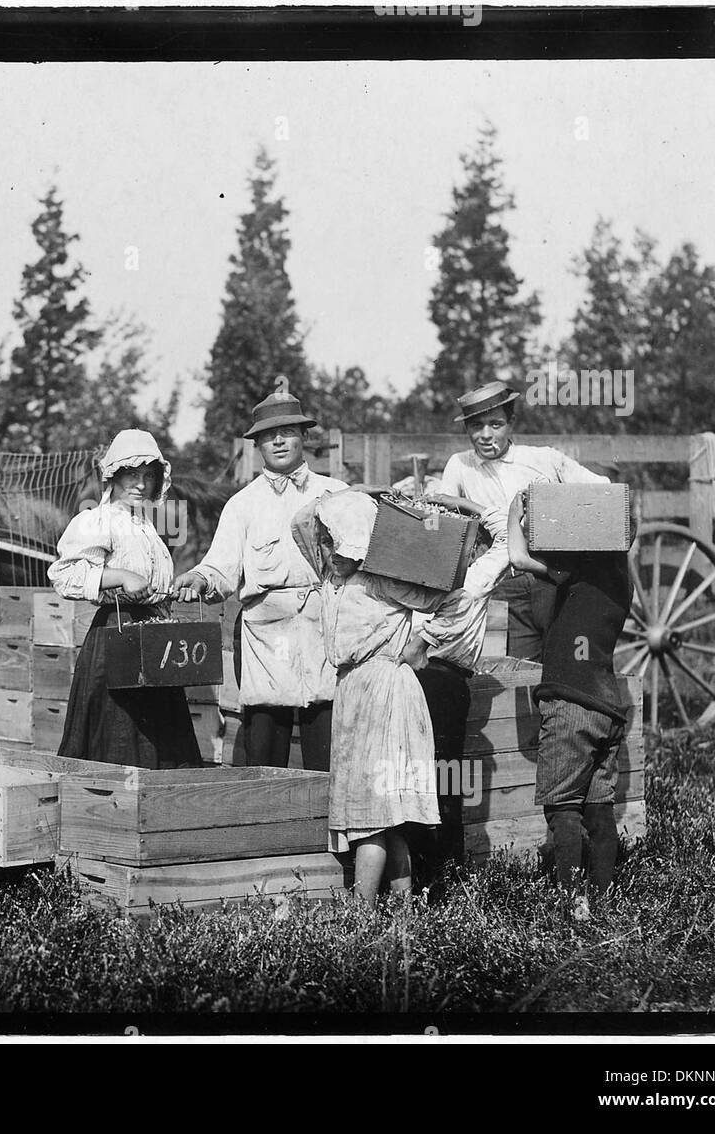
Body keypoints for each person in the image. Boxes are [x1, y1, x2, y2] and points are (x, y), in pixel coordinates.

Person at [291, 489, 468, 904]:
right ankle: (406, 912)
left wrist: (421, 642)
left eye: (340, 540)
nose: (331, 550)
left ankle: (362, 912)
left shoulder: (384, 580)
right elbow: (301, 522)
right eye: (328, 541)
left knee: (373, 816)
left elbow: (456, 599)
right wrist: (355, 498)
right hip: (354, 693)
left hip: (386, 693)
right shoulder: (332, 576)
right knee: (382, 817)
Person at [172, 383, 347, 771]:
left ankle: (328, 829)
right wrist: (200, 578)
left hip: (323, 631)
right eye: (269, 436)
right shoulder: (242, 505)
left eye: (286, 432)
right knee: (265, 748)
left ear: (303, 436)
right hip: (268, 638)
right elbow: (221, 566)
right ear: (258, 445)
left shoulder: (336, 494)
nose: (279, 442)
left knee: (328, 744)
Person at [507, 486, 636, 920]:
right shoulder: (621, 580)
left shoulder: (581, 568)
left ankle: (570, 901)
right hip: (608, 706)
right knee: (598, 808)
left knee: (562, 807)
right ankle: (602, 901)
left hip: (570, 702)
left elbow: (519, 558)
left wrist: (515, 512)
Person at [421, 381, 611, 670]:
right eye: (476, 426)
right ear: (466, 429)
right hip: (502, 587)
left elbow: (603, 491)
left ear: (511, 423)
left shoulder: (543, 459)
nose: (486, 435)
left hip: (551, 578)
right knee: (520, 671)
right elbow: (447, 522)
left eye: (495, 424)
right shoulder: (460, 465)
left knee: (569, 661)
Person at [48, 429, 202, 769]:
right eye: (131, 474)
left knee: (158, 738)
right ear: (113, 476)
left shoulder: (148, 527)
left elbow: (150, 581)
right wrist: (120, 577)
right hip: (116, 637)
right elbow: (64, 576)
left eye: (148, 476)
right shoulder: (96, 520)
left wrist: (172, 589)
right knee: (117, 736)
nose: (140, 484)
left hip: (152, 639)